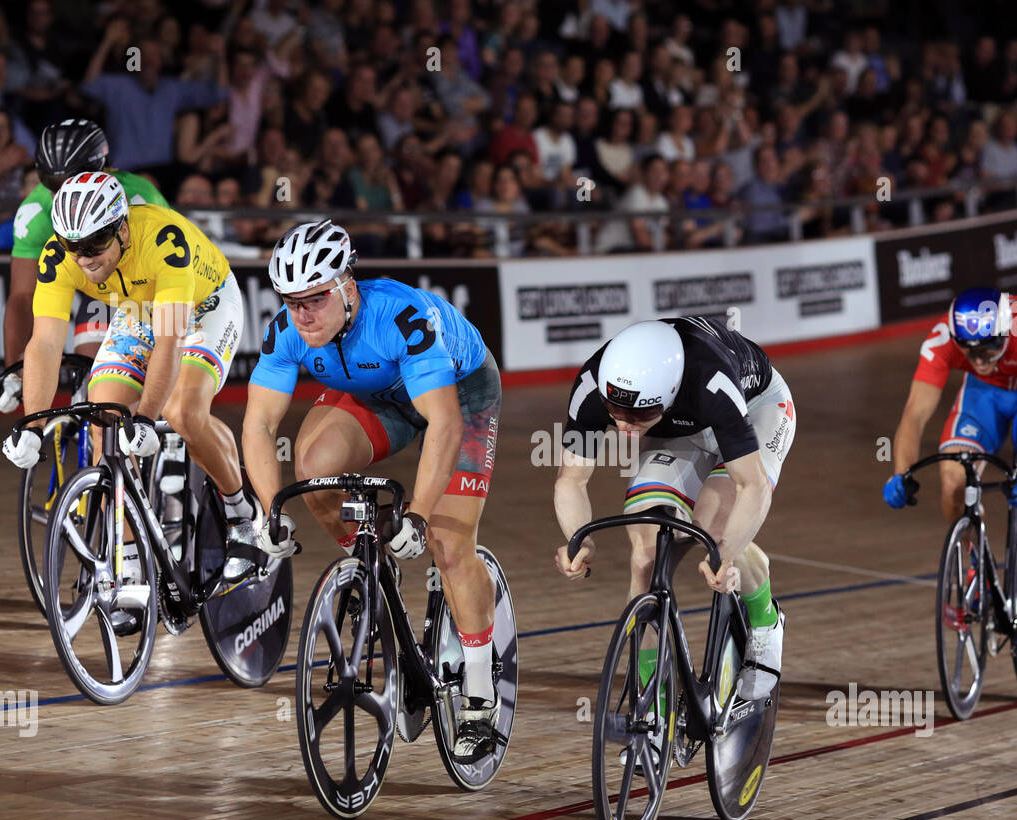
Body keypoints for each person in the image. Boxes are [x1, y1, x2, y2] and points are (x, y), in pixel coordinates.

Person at [242, 220, 504, 759]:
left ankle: (480, 694)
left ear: (346, 287)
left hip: (459, 393)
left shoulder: (402, 318)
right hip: (377, 395)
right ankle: (373, 570)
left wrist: (420, 515)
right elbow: (259, 427)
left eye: (314, 299)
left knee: (450, 547)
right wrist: (268, 512)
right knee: (313, 474)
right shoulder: (287, 331)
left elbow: (445, 424)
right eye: (290, 302)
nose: (301, 315)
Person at [1, 171, 257, 602]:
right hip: (139, 312)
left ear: (122, 228)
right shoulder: (59, 256)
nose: (83, 259)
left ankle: (241, 514)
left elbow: (172, 337)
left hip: (204, 307)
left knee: (182, 412)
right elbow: (44, 343)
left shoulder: (163, 239)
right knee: (105, 422)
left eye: (94, 245)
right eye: (73, 247)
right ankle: (131, 564)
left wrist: (147, 417)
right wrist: (31, 424)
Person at [553, 317, 794, 700]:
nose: (625, 427)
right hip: (682, 430)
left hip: (758, 408)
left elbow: (753, 485)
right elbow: (571, 480)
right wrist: (577, 538)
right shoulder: (595, 385)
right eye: (616, 412)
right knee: (645, 555)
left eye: (639, 416)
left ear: (668, 393)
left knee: (713, 530)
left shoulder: (710, 381)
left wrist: (726, 555)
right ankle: (653, 700)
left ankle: (765, 619)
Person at [882, 287, 1017, 648]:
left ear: (1006, 331)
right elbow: (915, 414)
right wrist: (900, 472)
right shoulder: (943, 336)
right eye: (971, 352)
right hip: (984, 398)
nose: (980, 360)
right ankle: (975, 567)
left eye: (988, 349)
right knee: (953, 477)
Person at [0, 120, 168, 412]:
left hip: (149, 289)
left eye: (74, 181)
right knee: (89, 383)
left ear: (106, 171)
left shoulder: (139, 199)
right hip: (98, 291)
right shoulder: (36, 214)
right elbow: (23, 295)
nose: (63, 197)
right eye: (52, 186)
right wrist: (14, 370)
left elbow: (169, 282)